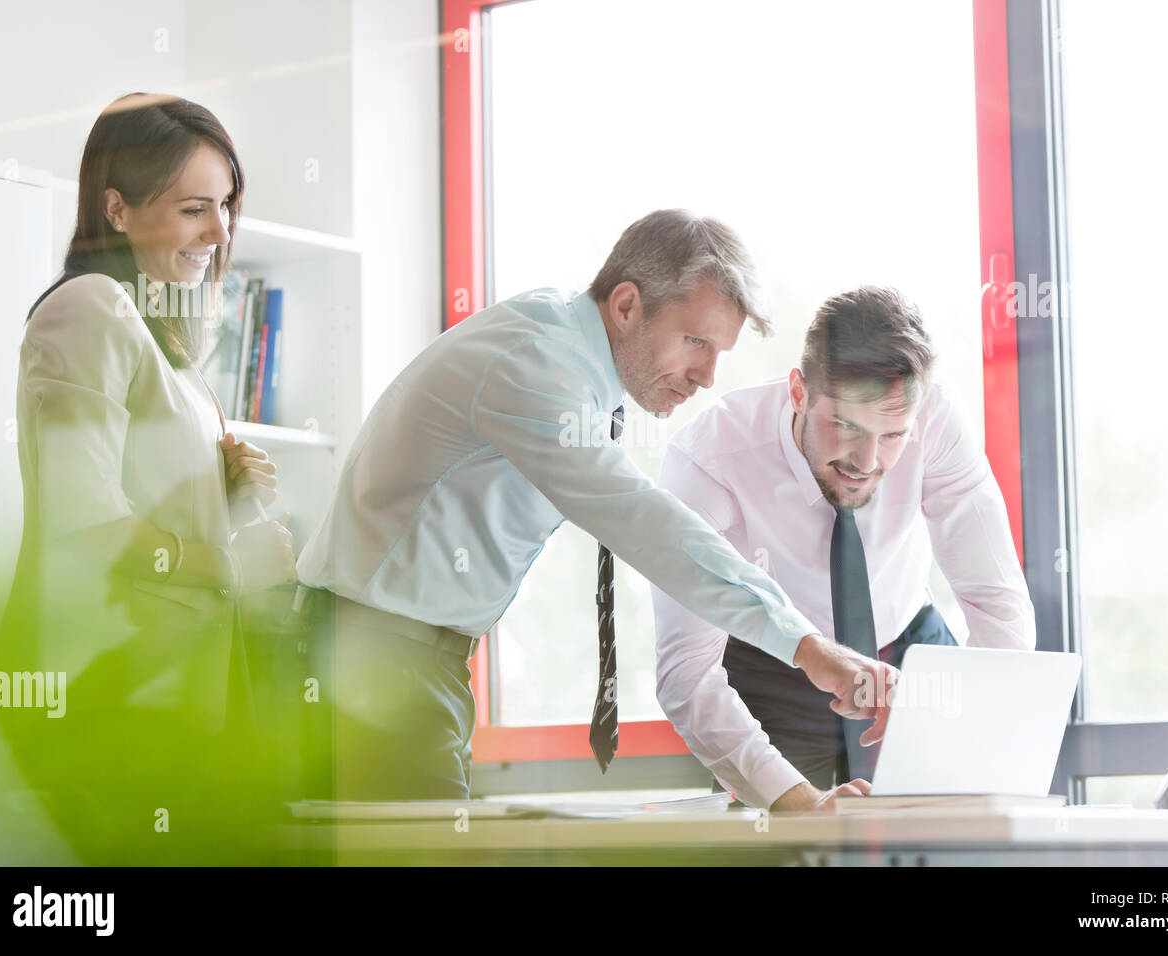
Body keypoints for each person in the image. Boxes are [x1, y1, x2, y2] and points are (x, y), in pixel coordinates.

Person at [296, 210, 892, 803]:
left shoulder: (573, 354)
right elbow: (644, 522)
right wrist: (807, 646)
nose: (707, 376)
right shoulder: (537, 365)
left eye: (720, 353)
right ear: (628, 305)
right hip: (375, 655)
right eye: (695, 342)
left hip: (414, 660)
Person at [2, 93, 297, 863]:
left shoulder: (169, 351)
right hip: (109, 705)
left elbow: (166, 528)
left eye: (226, 206)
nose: (220, 232)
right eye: (195, 208)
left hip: (179, 707)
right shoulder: (89, 308)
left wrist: (231, 499)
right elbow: (88, 523)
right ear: (118, 210)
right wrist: (230, 564)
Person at [652, 285, 1036, 810]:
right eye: (846, 426)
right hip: (772, 671)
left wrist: (977, 732)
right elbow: (687, 675)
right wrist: (796, 803)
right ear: (798, 393)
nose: (866, 461)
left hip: (906, 644)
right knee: (783, 849)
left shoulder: (939, 417)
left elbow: (995, 599)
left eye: (893, 435)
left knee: (952, 838)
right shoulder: (709, 459)